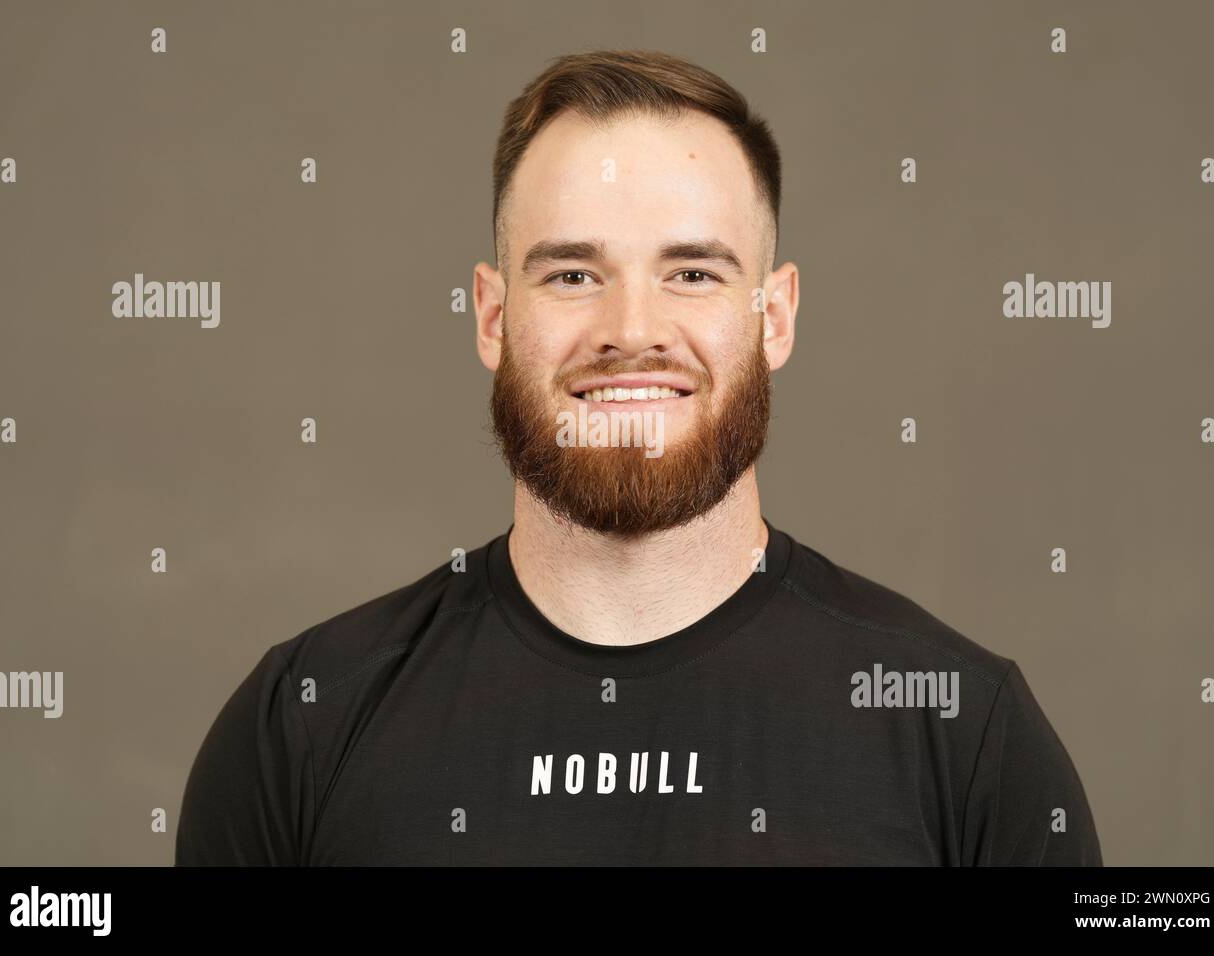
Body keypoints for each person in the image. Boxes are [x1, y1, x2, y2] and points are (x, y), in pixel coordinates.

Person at [175, 49, 1101, 866]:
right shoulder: (301, 724)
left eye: (692, 273)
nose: (631, 331)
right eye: (573, 274)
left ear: (773, 317)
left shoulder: (961, 731)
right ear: (494, 317)